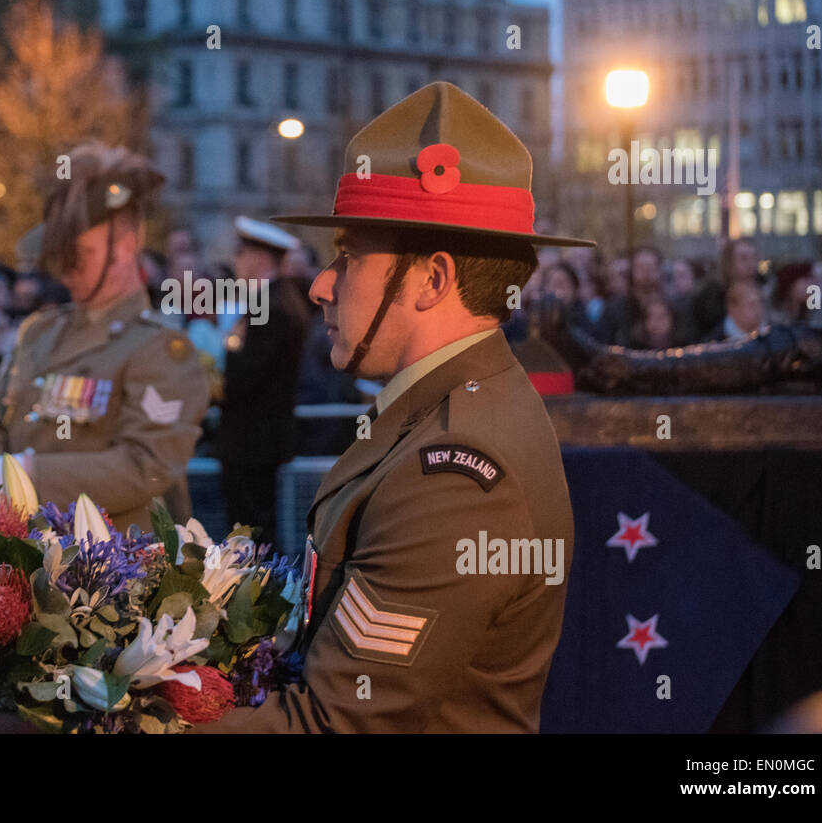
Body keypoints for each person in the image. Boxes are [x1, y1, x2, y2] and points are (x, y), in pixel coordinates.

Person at [193, 81, 591, 733]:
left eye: (349, 257)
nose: (322, 283)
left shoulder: (461, 471)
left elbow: (332, 721)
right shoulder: (447, 409)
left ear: (433, 280)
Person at [0, 143, 211, 532]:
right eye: (60, 252)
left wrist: (25, 475)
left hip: (119, 567)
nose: (67, 267)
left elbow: (149, 468)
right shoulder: (39, 332)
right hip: (26, 551)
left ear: (126, 246)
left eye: (83, 252)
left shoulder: (161, 348)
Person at [216, 216, 311, 545]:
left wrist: (214, 379)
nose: (236, 261)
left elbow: (245, 376)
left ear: (258, 258)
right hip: (256, 440)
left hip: (253, 442)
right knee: (254, 531)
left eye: (240, 253)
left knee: (251, 536)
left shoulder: (269, 306)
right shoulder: (275, 300)